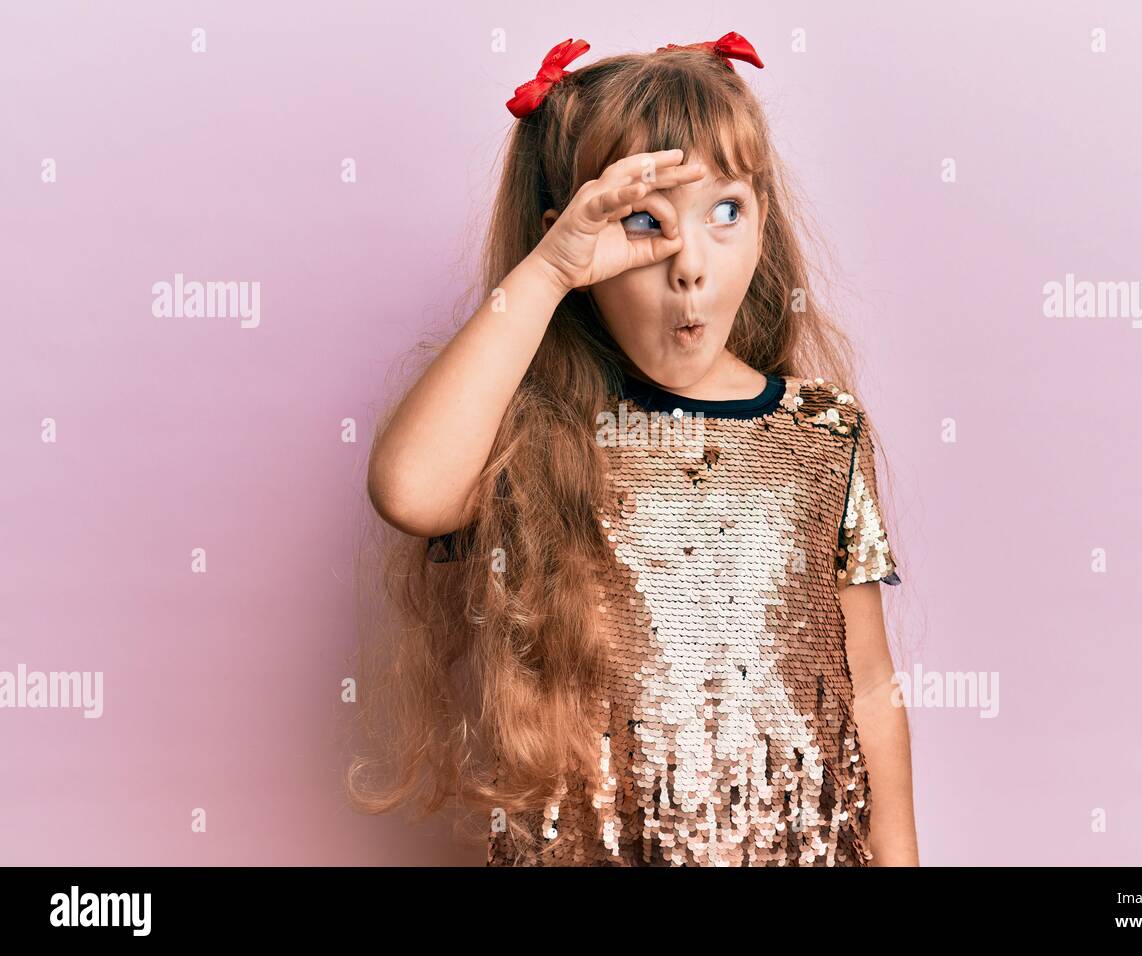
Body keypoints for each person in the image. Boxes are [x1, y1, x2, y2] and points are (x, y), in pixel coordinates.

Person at [349, 31, 918, 866]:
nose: (690, 265)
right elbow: (408, 490)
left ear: (764, 219)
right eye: (646, 226)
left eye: (726, 211)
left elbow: (870, 686)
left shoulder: (823, 431)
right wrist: (546, 274)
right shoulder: (537, 435)